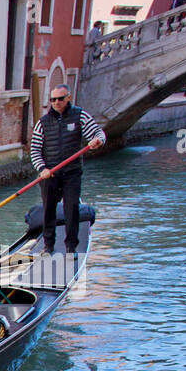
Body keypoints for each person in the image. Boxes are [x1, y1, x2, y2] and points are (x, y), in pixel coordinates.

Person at [30, 83, 106, 255]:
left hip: (72, 172)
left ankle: (71, 247)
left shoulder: (80, 116)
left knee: (71, 208)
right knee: (48, 208)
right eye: (53, 99)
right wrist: (42, 168)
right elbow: (34, 150)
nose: (56, 102)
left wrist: (97, 141)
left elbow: (98, 133)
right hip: (49, 174)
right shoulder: (42, 123)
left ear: (68, 98)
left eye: (60, 99)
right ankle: (48, 245)